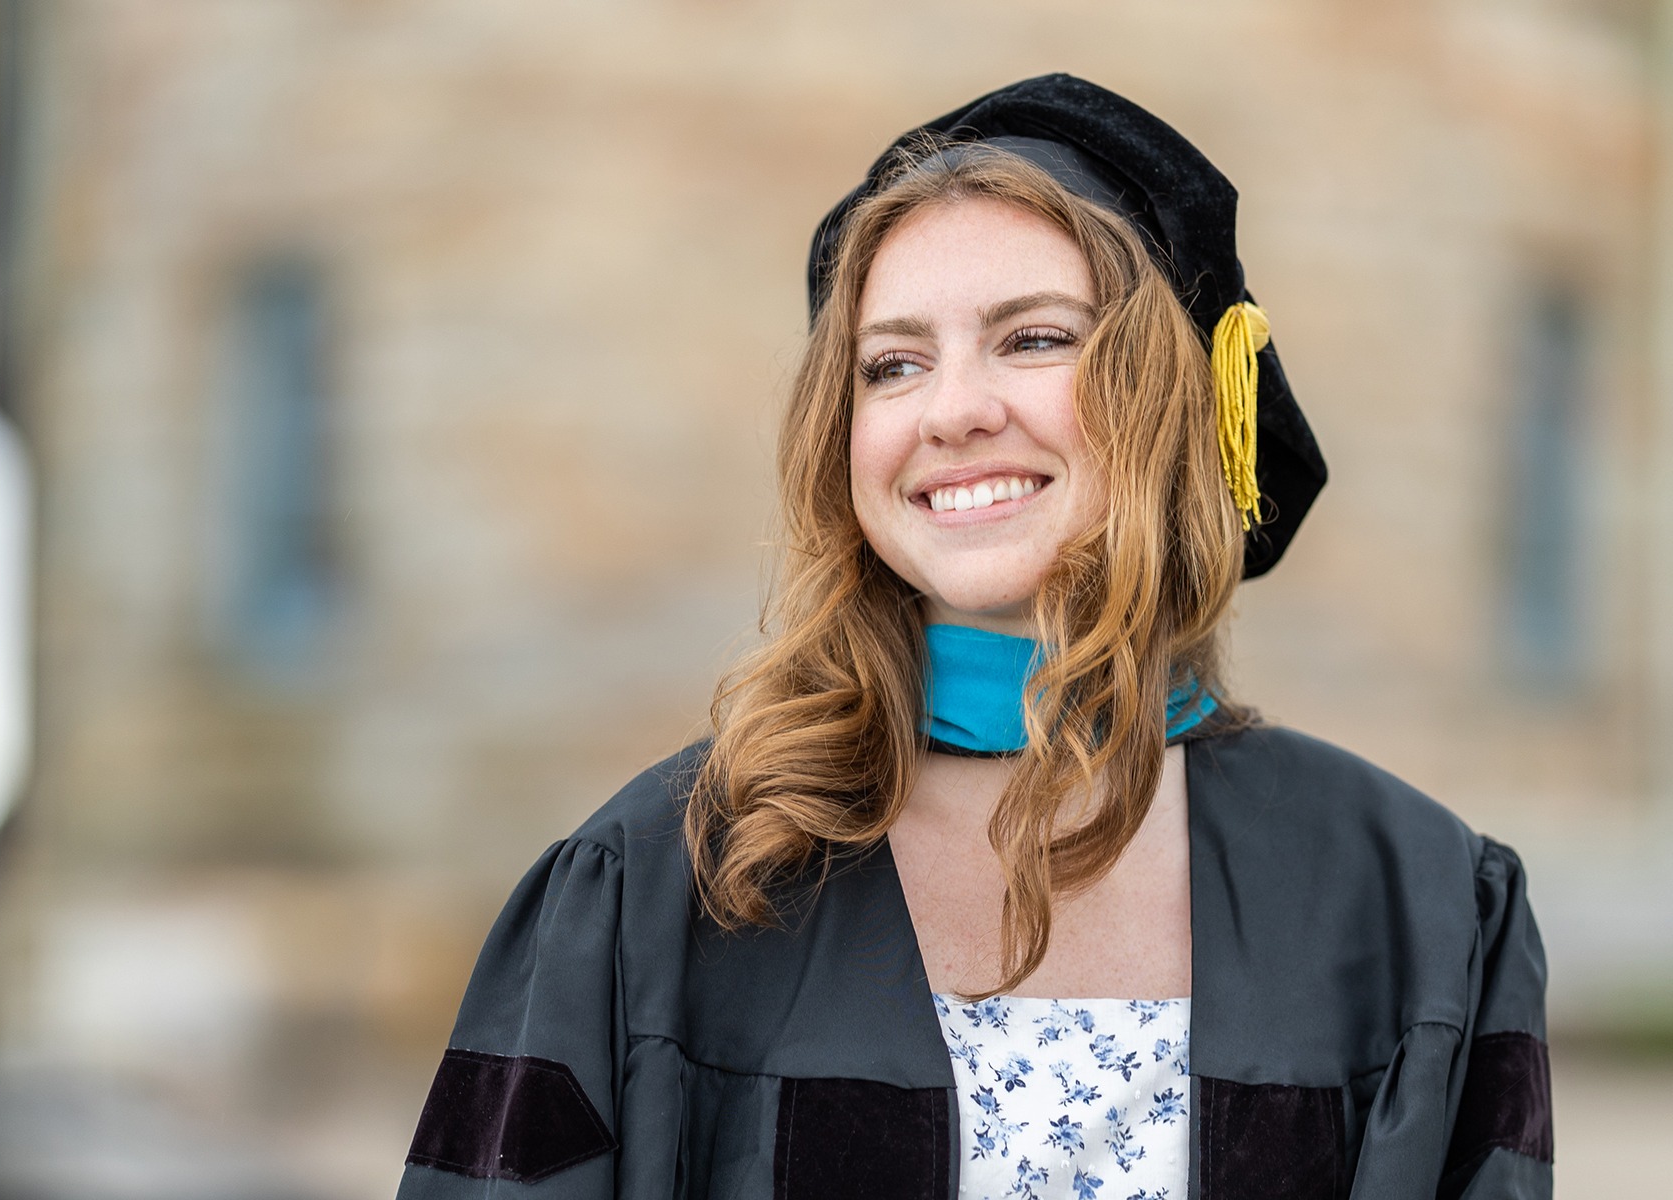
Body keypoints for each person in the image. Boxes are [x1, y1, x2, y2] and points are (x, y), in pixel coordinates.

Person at [396, 75, 1550, 1200]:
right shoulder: (661, 887)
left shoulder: (1416, 901)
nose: (951, 411)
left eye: (1034, 339)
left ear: (1178, 399)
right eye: (893, 364)